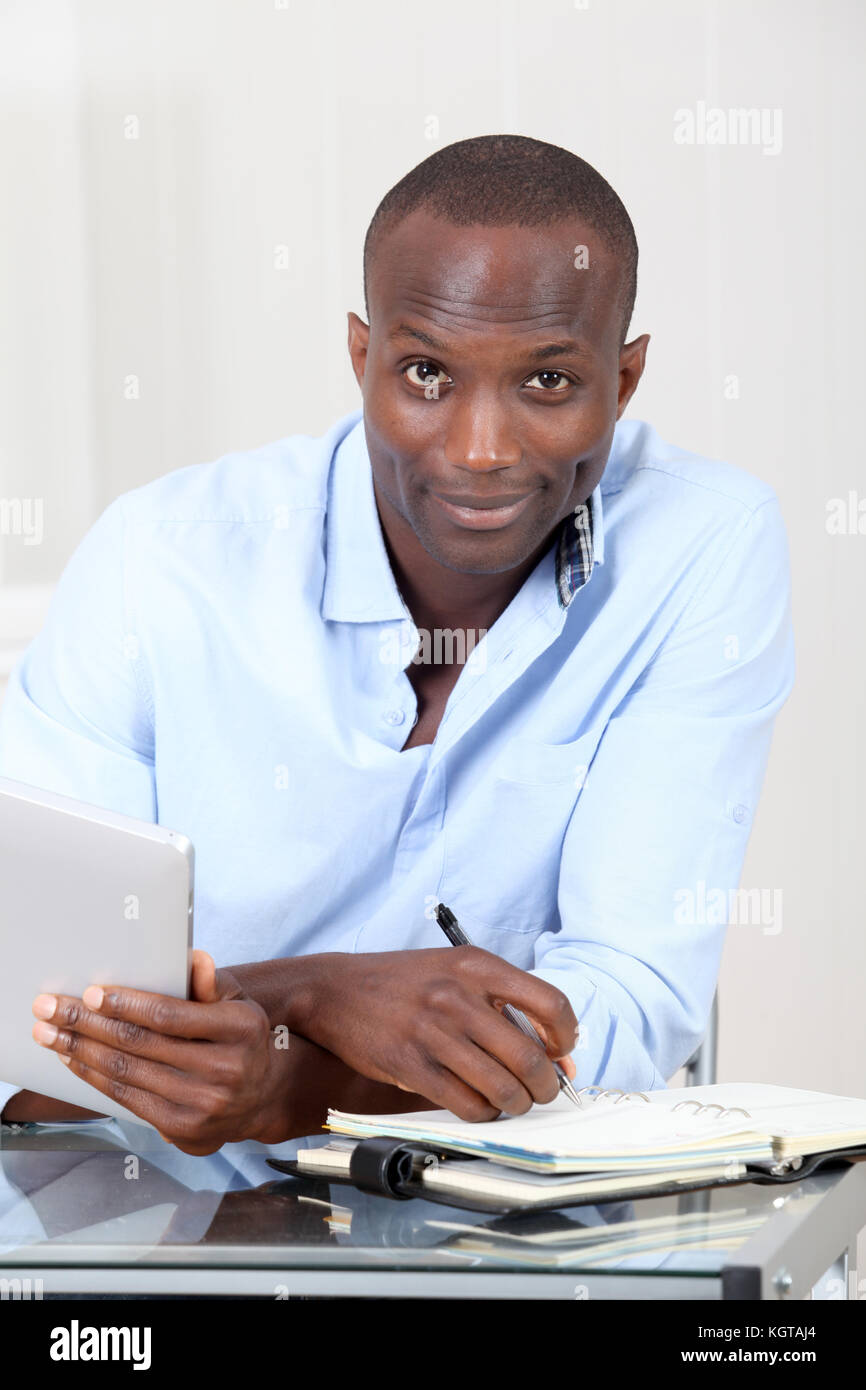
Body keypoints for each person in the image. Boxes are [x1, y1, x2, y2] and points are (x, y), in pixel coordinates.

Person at [0, 135, 794, 1155]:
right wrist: (322, 991)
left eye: (548, 381)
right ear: (359, 357)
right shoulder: (160, 563)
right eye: (425, 372)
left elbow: (623, 1004)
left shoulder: (700, 546)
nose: (480, 449)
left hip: (507, 1226)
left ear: (625, 377)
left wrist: (289, 1074)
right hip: (152, 1222)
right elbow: (28, 1024)